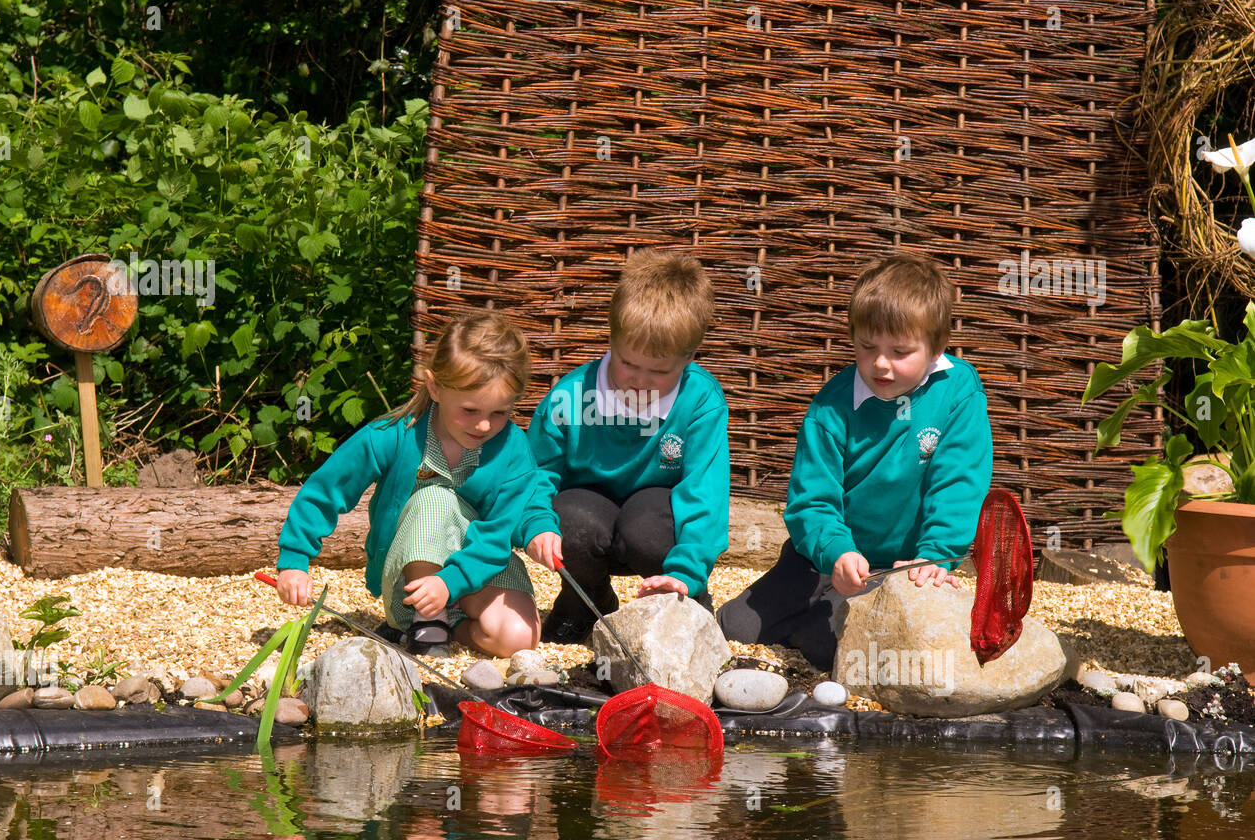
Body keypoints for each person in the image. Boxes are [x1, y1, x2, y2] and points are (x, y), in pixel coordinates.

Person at [717, 252, 993, 669]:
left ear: (936, 347)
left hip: (903, 566)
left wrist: (935, 555)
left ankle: (815, 623)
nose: (881, 363)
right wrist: (837, 552)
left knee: (829, 644)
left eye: (900, 351)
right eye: (867, 347)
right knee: (736, 627)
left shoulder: (958, 392)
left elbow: (958, 483)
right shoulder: (831, 407)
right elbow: (811, 501)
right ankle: (816, 604)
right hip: (823, 558)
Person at [274, 311, 541, 658]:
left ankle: (450, 624)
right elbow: (326, 490)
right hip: (411, 587)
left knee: (520, 638)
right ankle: (427, 622)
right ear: (435, 387)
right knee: (435, 498)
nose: (485, 426)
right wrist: (294, 560)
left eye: (500, 413)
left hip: (481, 567)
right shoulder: (394, 436)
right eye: (470, 410)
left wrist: (449, 584)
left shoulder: (513, 448)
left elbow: (496, 534)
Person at [520, 247, 730, 643]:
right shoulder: (570, 397)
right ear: (611, 339)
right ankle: (586, 602)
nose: (640, 380)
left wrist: (689, 569)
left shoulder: (701, 401)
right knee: (569, 522)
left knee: (648, 528)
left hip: (656, 515)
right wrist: (535, 524)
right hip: (589, 508)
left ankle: (685, 599)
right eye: (629, 363)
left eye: (660, 371)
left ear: (689, 359)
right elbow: (536, 473)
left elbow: (706, 493)